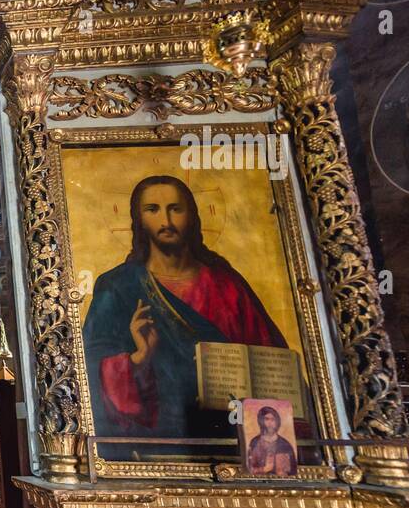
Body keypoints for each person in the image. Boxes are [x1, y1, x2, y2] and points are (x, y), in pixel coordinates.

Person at [83, 175, 287, 440]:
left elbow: (269, 365)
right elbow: (85, 372)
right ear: (139, 219)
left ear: (191, 216)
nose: (166, 222)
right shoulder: (118, 286)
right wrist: (139, 358)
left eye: (175, 209)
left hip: (230, 436)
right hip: (155, 440)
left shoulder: (226, 286)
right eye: (153, 210)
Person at [247, 405, 296, 475]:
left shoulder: (285, 444)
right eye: (266, 419)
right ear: (261, 421)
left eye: (273, 419)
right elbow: (249, 468)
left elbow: (292, 470)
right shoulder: (255, 442)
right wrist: (264, 469)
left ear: (277, 422)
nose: (270, 423)